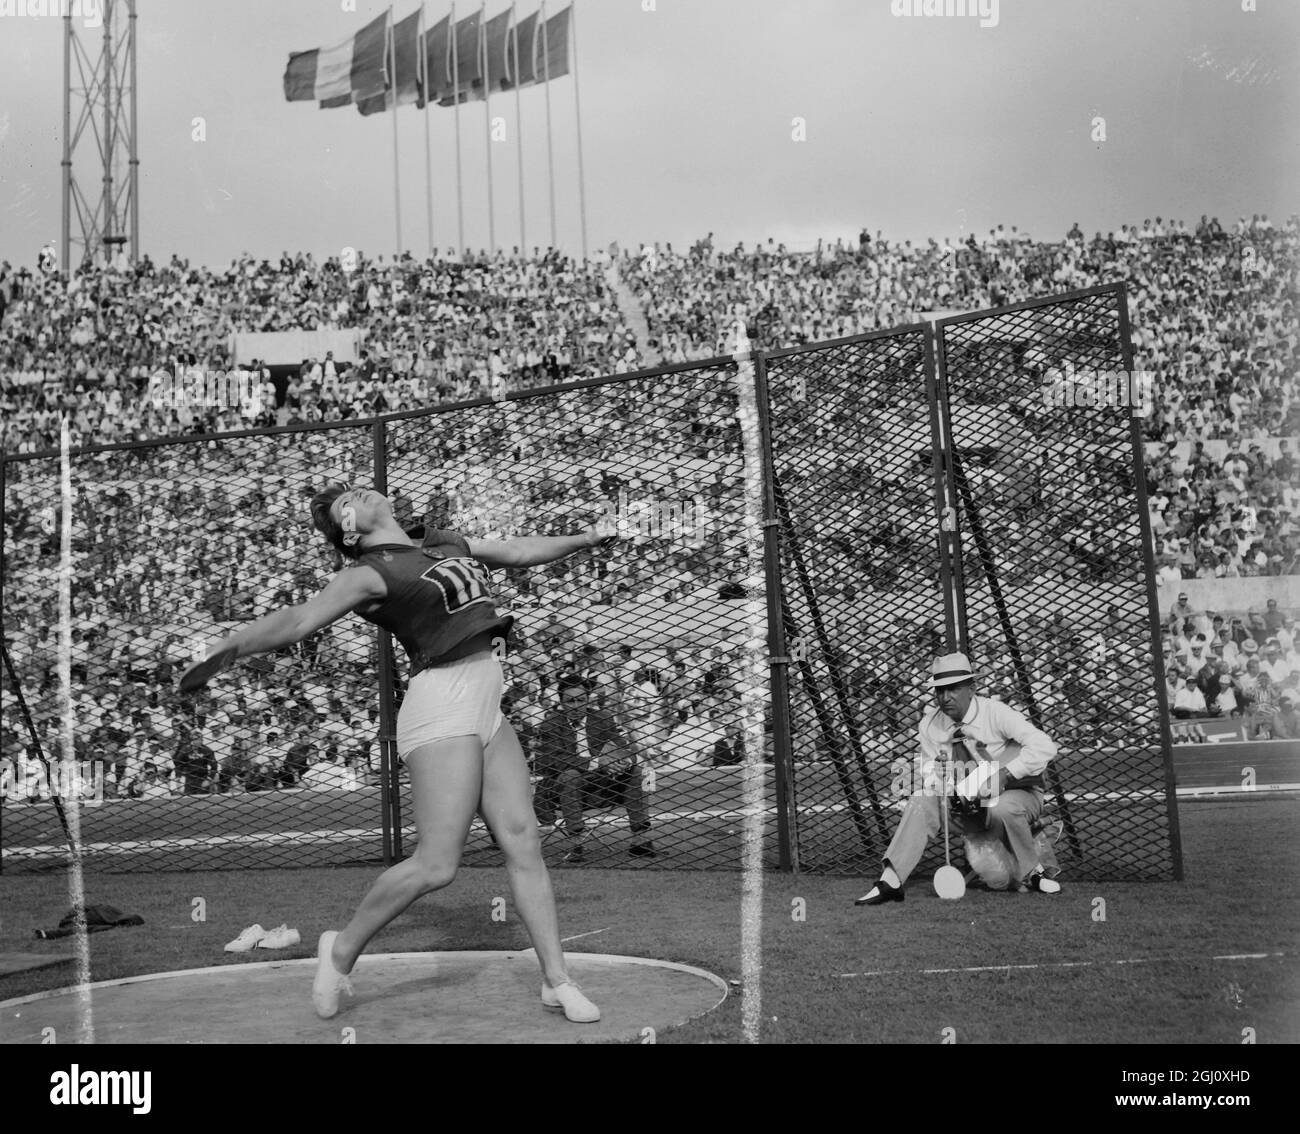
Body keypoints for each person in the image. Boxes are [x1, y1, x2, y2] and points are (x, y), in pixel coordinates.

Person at [180, 483, 621, 1024]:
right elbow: (299, 619)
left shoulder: (440, 540)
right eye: (348, 499)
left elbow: (518, 551)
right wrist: (230, 647)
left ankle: (557, 979)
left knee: (524, 840)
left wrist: (587, 538)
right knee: (437, 866)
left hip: (486, 701)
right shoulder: (368, 573)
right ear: (348, 526)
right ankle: (339, 951)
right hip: (441, 704)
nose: (361, 491)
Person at [855, 653, 1062, 905]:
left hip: (1016, 795)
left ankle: (1033, 872)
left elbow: (1044, 746)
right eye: (939, 691)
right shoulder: (929, 725)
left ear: (971, 688)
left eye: (953, 689)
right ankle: (891, 880)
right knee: (921, 800)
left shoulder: (996, 712)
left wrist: (1005, 775)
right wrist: (944, 783)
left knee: (1000, 808)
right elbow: (929, 773)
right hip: (965, 803)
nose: (945, 697)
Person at [532, 673, 656, 862]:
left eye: (581, 700)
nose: (575, 706)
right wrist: (599, 762)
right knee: (570, 775)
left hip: (603, 784)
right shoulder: (550, 724)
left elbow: (623, 747)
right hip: (563, 786)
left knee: (639, 772)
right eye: (570, 701)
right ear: (561, 702)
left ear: (588, 700)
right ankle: (577, 843)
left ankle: (640, 841)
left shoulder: (603, 718)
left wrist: (621, 761)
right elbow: (555, 761)